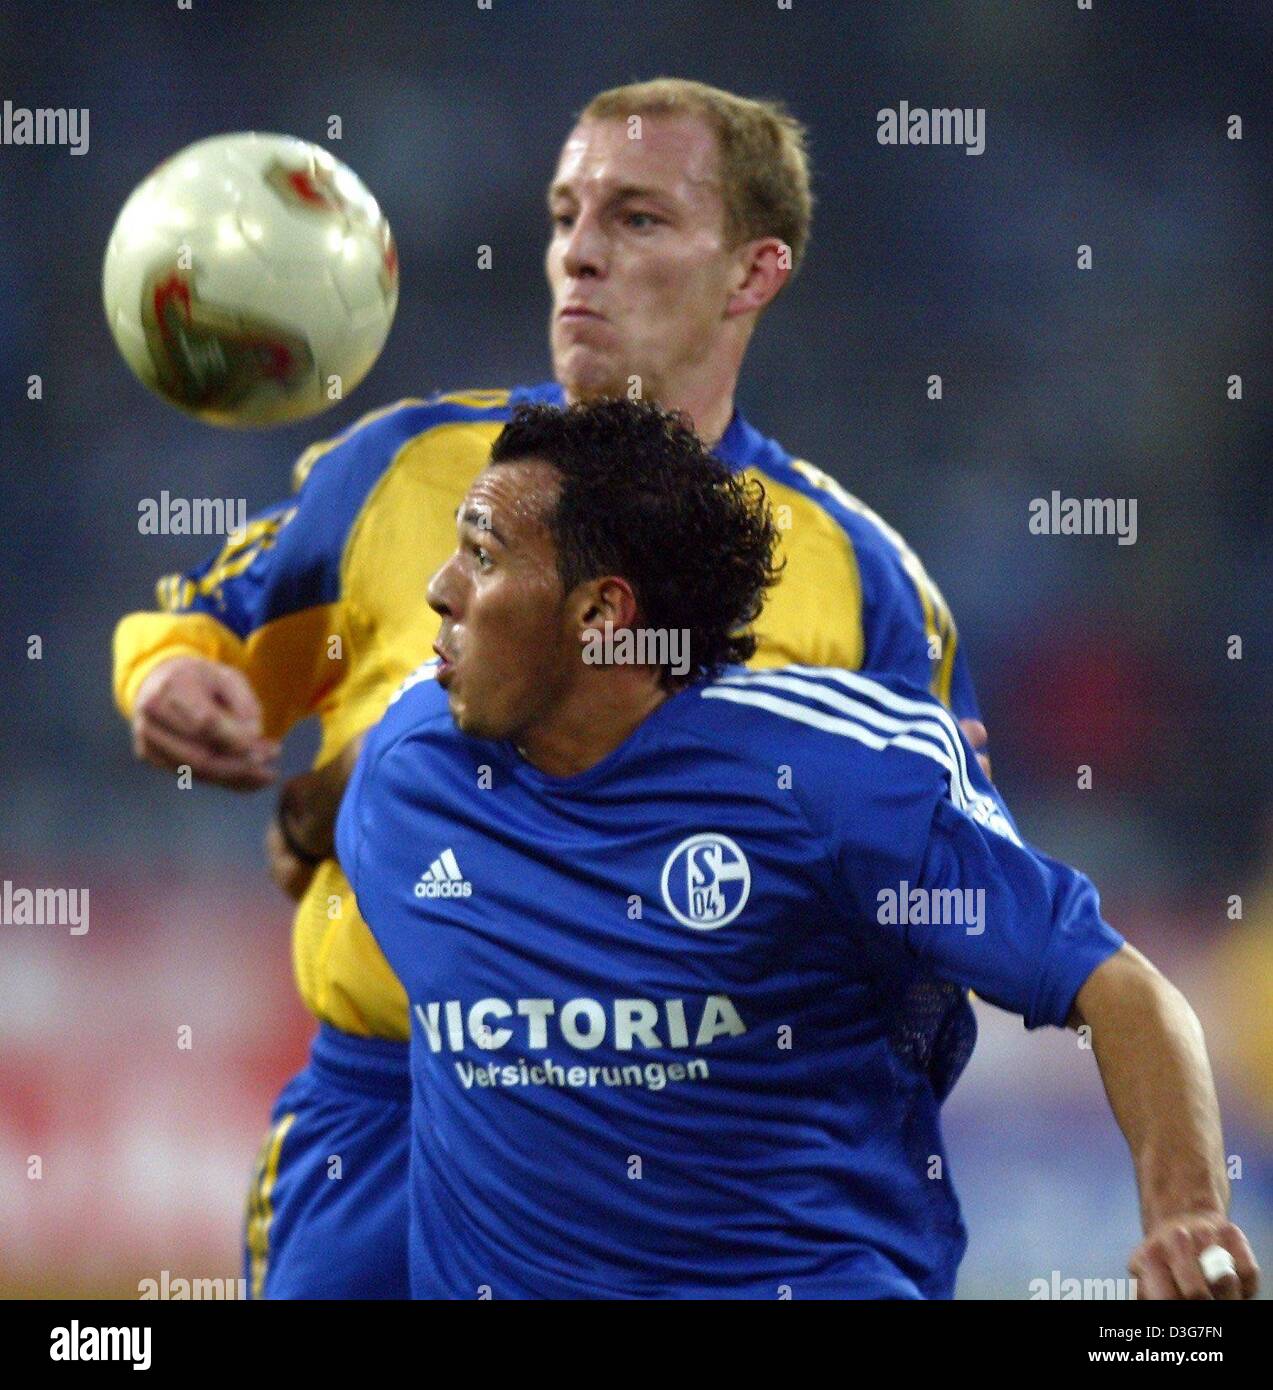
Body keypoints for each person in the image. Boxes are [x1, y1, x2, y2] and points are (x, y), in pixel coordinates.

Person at [114, 80, 983, 1299]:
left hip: (689, 1146)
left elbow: (931, 915)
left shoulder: (863, 580)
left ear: (752, 272)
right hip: (388, 1127)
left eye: (635, 219)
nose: (577, 252)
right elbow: (209, 625)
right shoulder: (397, 468)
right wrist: (179, 682)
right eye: (565, 212)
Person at [338, 396, 1260, 1300]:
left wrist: (1183, 1217)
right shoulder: (411, 771)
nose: (439, 588)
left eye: (483, 556)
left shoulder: (843, 778)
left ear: (601, 615)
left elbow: (1116, 985)